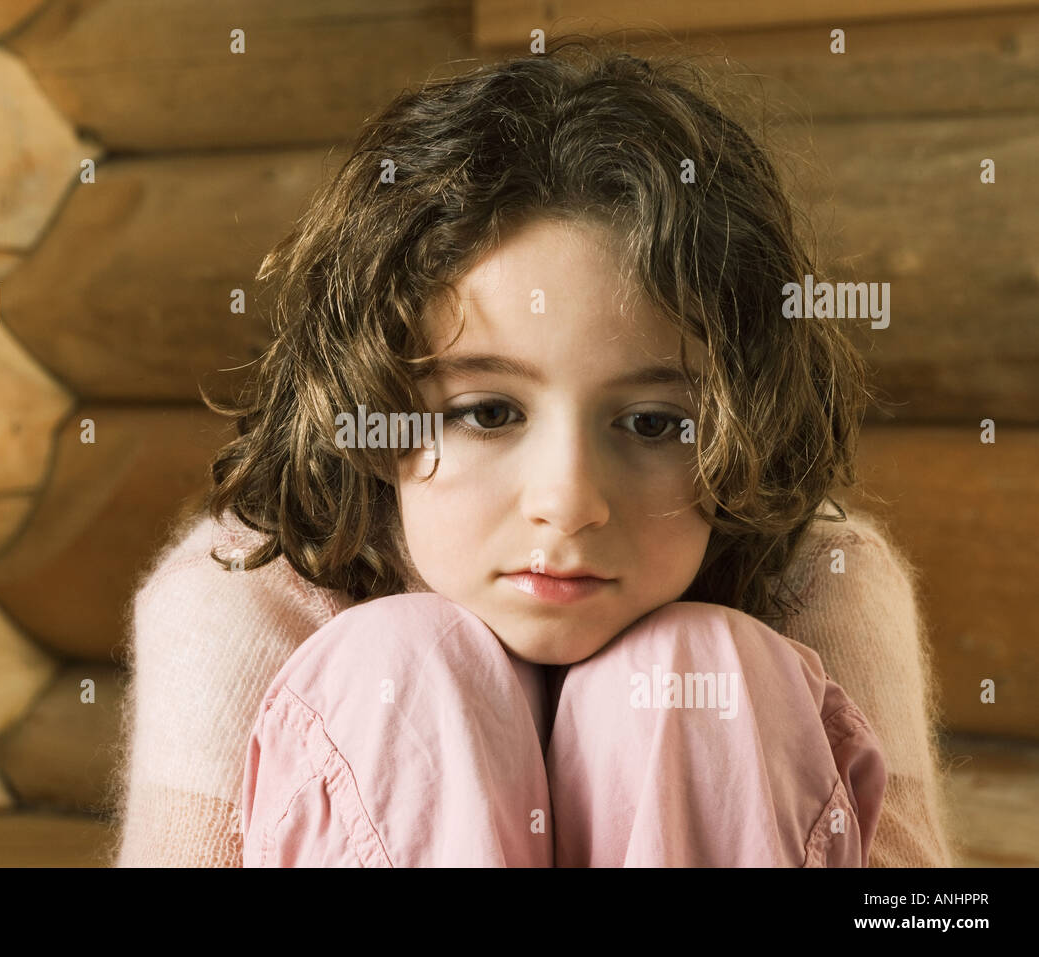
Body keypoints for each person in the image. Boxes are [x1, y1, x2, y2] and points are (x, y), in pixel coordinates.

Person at [111, 37, 958, 868]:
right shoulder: (239, 595)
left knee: (692, 671)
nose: (568, 500)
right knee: (407, 667)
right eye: (486, 411)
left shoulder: (820, 577)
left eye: (655, 423)